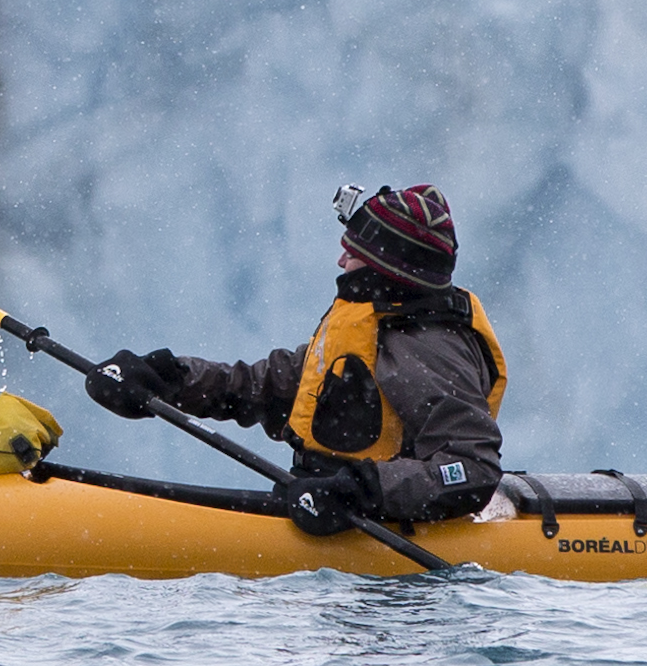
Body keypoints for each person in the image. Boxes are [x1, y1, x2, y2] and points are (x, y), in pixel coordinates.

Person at [87, 183, 507, 533]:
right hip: (319, 508)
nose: (341, 261)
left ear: (385, 270)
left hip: (375, 535)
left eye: (353, 253)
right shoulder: (369, 324)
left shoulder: (427, 348)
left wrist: (359, 490)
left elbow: (471, 469)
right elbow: (264, 388)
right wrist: (168, 379)